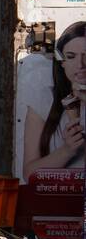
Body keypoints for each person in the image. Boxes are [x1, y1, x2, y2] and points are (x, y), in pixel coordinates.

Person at [22, 21, 86, 176]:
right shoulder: (45, 100)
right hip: (56, 196)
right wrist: (67, 150)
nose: (81, 65)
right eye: (71, 57)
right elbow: (29, 173)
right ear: (62, 62)